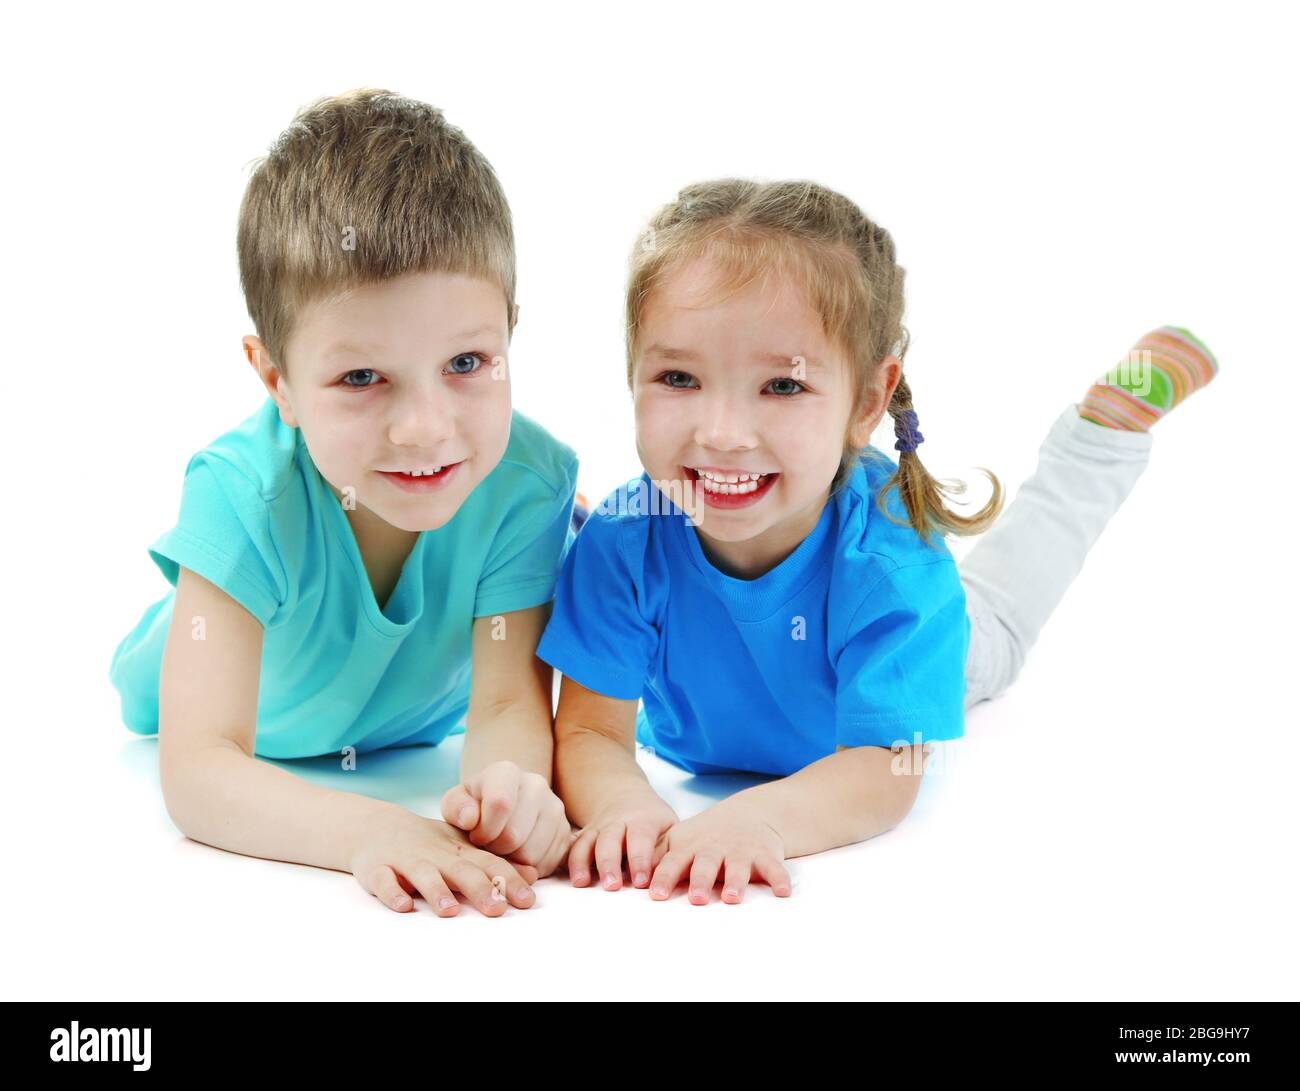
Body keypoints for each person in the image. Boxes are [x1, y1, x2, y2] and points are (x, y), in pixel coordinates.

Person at [536, 178, 1219, 905]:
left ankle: (1099, 438)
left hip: (912, 660)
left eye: (782, 386)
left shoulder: (893, 571)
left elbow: (887, 769)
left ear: (866, 402)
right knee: (597, 538)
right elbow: (588, 731)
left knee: (998, 619)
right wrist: (622, 808)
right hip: (696, 606)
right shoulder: (621, 542)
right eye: (679, 377)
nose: (723, 434)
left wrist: (756, 819)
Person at [109, 89, 580, 917]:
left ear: (511, 331)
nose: (426, 429)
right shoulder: (241, 494)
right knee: (156, 678)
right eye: (362, 377)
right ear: (275, 379)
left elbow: (507, 702)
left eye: (468, 361)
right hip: (223, 698)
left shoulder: (528, 483)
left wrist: (512, 792)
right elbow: (198, 770)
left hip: (399, 723)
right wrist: (375, 829)